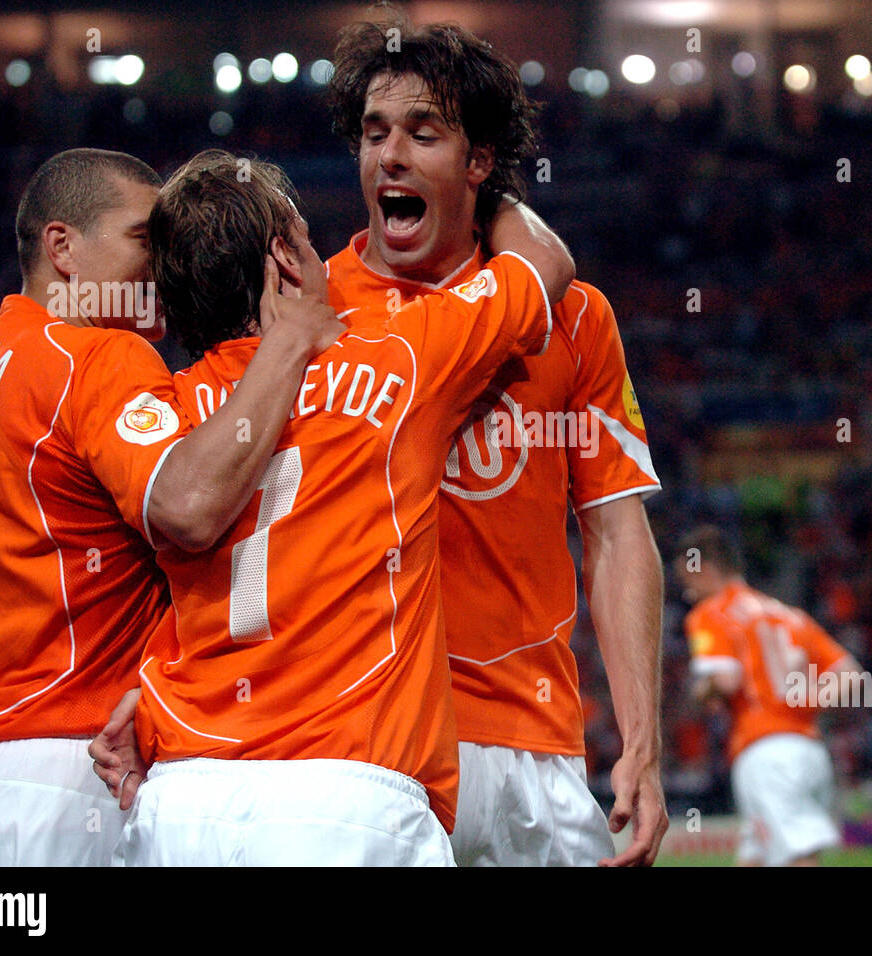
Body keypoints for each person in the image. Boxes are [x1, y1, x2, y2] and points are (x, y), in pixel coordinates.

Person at [109, 149, 573, 865]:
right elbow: (543, 261)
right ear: (289, 261)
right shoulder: (402, 360)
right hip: (351, 796)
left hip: (184, 799)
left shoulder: (158, 413)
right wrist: (481, 183)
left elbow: (182, 515)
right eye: (306, 239)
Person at [0, 147, 334, 866]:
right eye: (143, 238)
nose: (163, 263)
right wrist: (289, 338)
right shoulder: (98, 359)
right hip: (65, 776)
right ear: (62, 247)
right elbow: (189, 509)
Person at [324, 18, 668, 867]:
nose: (390, 156)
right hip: (366, 738)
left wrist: (643, 745)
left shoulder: (578, 317)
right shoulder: (309, 313)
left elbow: (618, 531)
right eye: (374, 133)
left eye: (422, 133)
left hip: (534, 741)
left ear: (479, 163)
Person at [677, 525, 861, 866]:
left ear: (702, 569)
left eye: (688, 582)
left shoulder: (711, 613)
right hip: (809, 750)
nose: (688, 594)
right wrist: (806, 702)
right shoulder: (789, 615)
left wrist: (702, 690)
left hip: (765, 750)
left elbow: (727, 680)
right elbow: (851, 674)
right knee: (757, 854)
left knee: (797, 856)